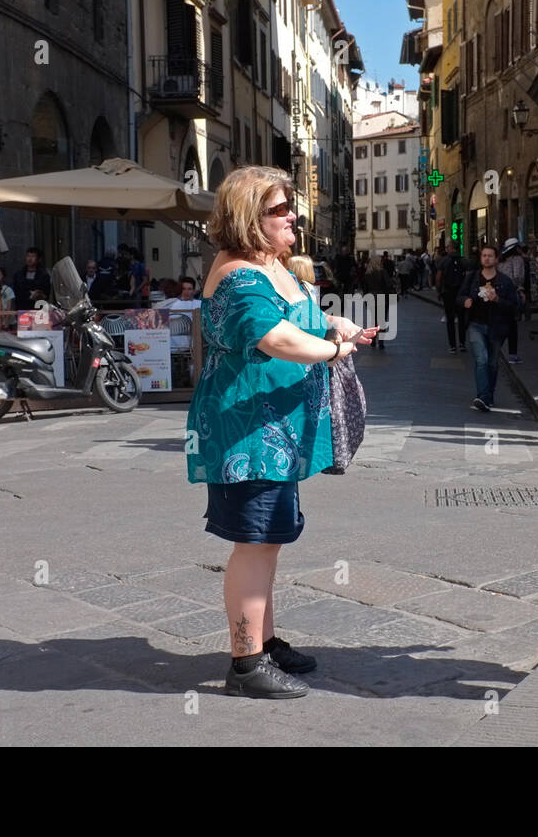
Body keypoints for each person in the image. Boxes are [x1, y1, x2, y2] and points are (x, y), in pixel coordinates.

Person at [186, 165, 377, 699]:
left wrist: (336, 326)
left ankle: (265, 645)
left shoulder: (273, 265)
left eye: (290, 205)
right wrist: (334, 349)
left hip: (275, 430)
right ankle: (245, 664)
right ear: (250, 217)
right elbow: (277, 339)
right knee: (254, 542)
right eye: (278, 208)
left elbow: (302, 320)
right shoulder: (239, 275)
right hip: (248, 431)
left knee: (268, 539)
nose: (292, 215)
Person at [458, 243, 519, 412]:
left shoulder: (505, 282)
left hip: (496, 328)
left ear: (496, 259)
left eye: (490, 255)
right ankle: (483, 396)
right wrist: (465, 301)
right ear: (481, 258)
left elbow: (514, 307)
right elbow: (460, 296)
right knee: (481, 360)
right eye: (484, 255)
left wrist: (497, 299)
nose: (487, 258)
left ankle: (488, 396)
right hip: (476, 325)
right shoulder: (472, 278)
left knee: (492, 363)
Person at [434, 244, 468, 353]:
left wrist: (438, 291)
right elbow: (468, 276)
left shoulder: (443, 261)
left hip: (447, 292)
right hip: (461, 293)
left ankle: (452, 345)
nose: (447, 249)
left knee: (450, 319)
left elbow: (438, 277)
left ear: (452, 248)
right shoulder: (464, 261)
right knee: (462, 318)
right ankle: (462, 343)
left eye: (448, 247)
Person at [498, 238, 527, 364]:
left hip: (500, 293)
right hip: (511, 293)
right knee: (512, 325)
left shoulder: (501, 260)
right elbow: (517, 277)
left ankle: (496, 349)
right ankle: (512, 354)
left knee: (503, 322)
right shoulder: (517, 260)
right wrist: (521, 291)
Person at [360, 254, 394, 351]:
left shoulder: (367, 274)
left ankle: (373, 340)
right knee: (382, 320)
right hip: (382, 297)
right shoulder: (383, 272)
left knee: (373, 320)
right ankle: (381, 342)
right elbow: (388, 285)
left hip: (371, 297)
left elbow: (364, 288)